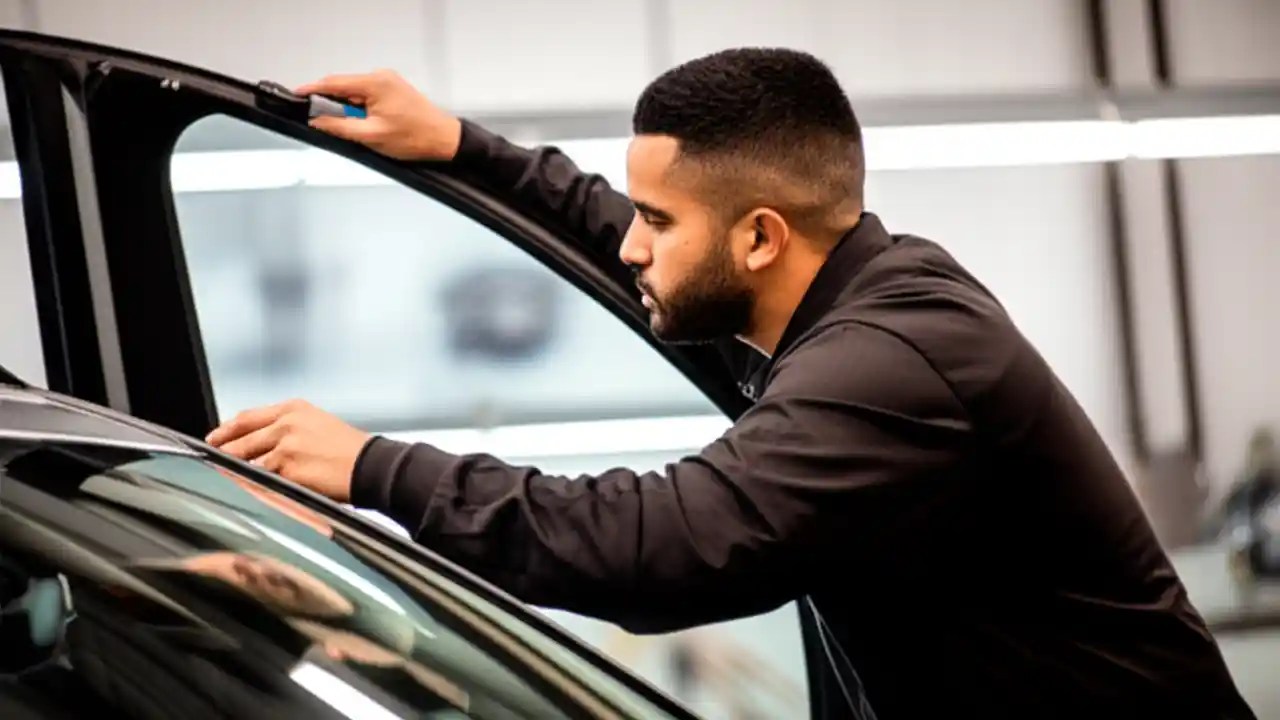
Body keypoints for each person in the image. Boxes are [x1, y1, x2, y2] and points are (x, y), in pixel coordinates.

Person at [205, 48, 1254, 717]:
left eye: (655, 223)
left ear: (758, 238)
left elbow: (659, 547)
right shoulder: (842, 296)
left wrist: (375, 467)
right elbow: (623, 235)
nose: (631, 248)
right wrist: (464, 149)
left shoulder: (891, 361)